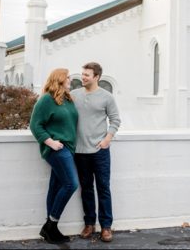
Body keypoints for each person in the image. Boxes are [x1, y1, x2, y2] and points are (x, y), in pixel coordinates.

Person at [71, 62, 121, 243]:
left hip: (100, 151)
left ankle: (106, 227)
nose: (82, 77)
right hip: (80, 151)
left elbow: (115, 120)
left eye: (86, 75)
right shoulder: (74, 95)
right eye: (82, 74)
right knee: (86, 189)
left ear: (96, 77)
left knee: (103, 188)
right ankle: (89, 224)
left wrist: (107, 139)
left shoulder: (107, 97)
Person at [29, 68, 79, 244]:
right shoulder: (46, 100)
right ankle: (50, 225)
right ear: (60, 79)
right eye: (68, 77)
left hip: (68, 148)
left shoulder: (67, 99)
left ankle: (51, 229)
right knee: (71, 184)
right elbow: (35, 125)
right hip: (57, 149)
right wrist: (50, 142)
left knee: (56, 186)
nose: (70, 80)